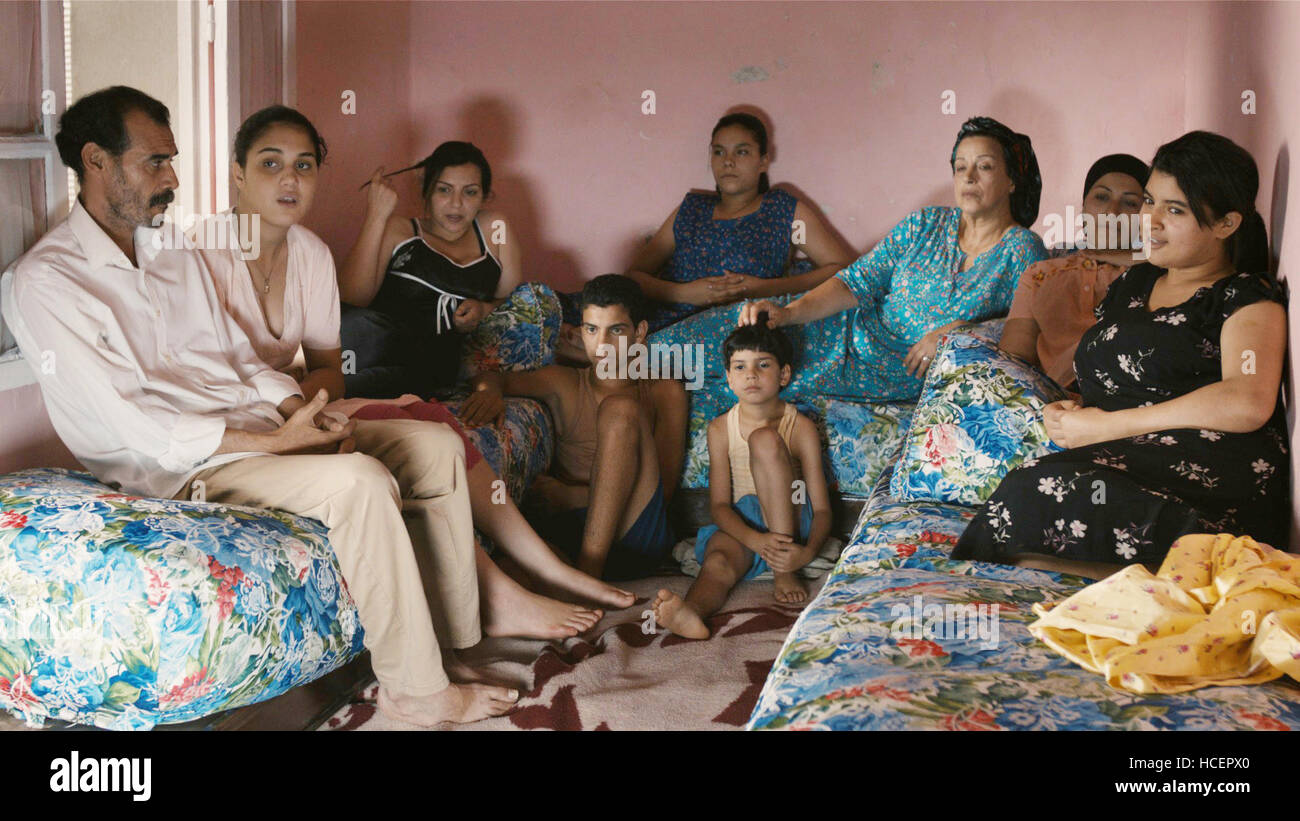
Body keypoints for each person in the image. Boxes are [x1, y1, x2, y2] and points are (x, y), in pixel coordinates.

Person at [1, 86, 516, 726]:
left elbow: (240, 360)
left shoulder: (175, 252)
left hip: (254, 433)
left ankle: (445, 646)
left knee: (435, 445)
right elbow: (130, 425)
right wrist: (274, 444)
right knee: (359, 481)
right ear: (97, 161)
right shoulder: (46, 280)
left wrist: (303, 411)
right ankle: (415, 692)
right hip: (175, 469)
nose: (173, 178)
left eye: (173, 159)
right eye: (155, 162)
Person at [194, 105, 634, 640]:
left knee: (435, 426)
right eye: (270, 164)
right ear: (236, 172)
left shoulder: (308, 252)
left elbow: (329, 369)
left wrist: (308, 406)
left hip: (336, 392)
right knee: (391, 376)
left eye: (304, 166)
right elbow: (331, 324)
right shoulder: (194, 255)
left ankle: (543, 568)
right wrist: (295, 412)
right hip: (282, 407)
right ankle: (504, 593)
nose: (290, 179)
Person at [953, 131, 1289, 575]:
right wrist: (1073, 411)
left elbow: (1247, 401)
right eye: (1150, 201)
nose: (1150, 220)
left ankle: (1190, 569)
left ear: (1226, 224)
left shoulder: (1243, 295)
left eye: (1174, 210)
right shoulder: (1135, 284)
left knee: (1050, 490)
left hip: (1206, 471)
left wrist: (1106, 426)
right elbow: (1113, 378)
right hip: (1128, 455)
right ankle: (1148, 572)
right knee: (1027, 484)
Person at [735, 116, 1049, 402]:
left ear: (1011, 180)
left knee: (745, 383)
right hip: (835, 328)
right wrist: (787, 313)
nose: (968, 177)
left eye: (984, 166)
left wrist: (956, 331)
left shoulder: (1022, 250)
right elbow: (855, 282)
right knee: (733, 333)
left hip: (887, 374)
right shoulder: (925, 223)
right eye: (959, 166)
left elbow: (1025, 337)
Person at [469, 275, 689, 580]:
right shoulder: (565, 383)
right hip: (572, 529)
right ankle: (572, 585)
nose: (602, 344)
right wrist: (488, 393)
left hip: (638, 532)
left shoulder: (664, 392)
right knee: (503, 574)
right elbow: (494, 377)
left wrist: (572, 496)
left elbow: (663, 492)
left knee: (620, 409)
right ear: (581, 331)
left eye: (616, 330)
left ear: (639, 332)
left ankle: (589, 575)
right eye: (591, 329)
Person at [653, 320, 831, 639]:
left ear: (784, 374)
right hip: (744, 525)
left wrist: (806, 552)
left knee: (764, 439)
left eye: (763, 365)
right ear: (729, 379)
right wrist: (753, 540)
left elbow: (821, 509)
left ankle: (783, 570)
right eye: (740, 366)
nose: (751, 374)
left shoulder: (800, 426)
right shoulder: (720, 429)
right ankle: (690, 612)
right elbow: (720, 507)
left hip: (791, 519)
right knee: (719, 561)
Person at [618, 112, 854, 334]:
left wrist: (764, 289)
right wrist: (683, 293)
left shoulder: (782, 211)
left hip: (740, 335)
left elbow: (840, 268)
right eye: (719, 152)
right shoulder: (691, 210)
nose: (728, 162)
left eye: (741, 152)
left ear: (763, 161)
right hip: (668, 325)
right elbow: (634, 276)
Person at [337, 141, 525, 398]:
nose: (456, 204)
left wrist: (484, 309)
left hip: (438, 363)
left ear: (484, 196)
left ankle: (330, 388)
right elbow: (350, 299)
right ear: (427, 192)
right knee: (354, 328)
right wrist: (376, 216)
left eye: (470, 192)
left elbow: (518, 305)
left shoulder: (495, 229)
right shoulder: (400, 230)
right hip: (381, 346)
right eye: (444, 190)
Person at [1000, 153, 1149, 390]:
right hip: (1052, 403)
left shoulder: (1159, 273)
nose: (1112, 211)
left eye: (1130, 203)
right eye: (1101, 197)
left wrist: (1126, 258)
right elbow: (1013, 359)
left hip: (1128, 403)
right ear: (1083, 209)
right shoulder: (1041, 274)